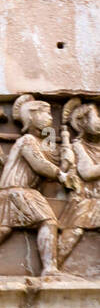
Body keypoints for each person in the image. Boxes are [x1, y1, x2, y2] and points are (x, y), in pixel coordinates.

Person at [0, 95, 69, 276]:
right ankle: (50, 269)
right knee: (48, 221)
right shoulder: (27, 140)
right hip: (18, 191)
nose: (50, 118)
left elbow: (52, 165)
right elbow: (39, 165)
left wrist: (66, 154)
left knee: (2, 230)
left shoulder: (36, 142)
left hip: (14, 192)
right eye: (44, 113)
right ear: (31, 118)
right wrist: (60, 174)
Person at [59, 99, 100, 265]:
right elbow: (87, 172)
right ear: (82, 122)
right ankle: (54, 264)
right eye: (96, 117)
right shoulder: (78, 145)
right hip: (87, 198)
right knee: (72, 233)